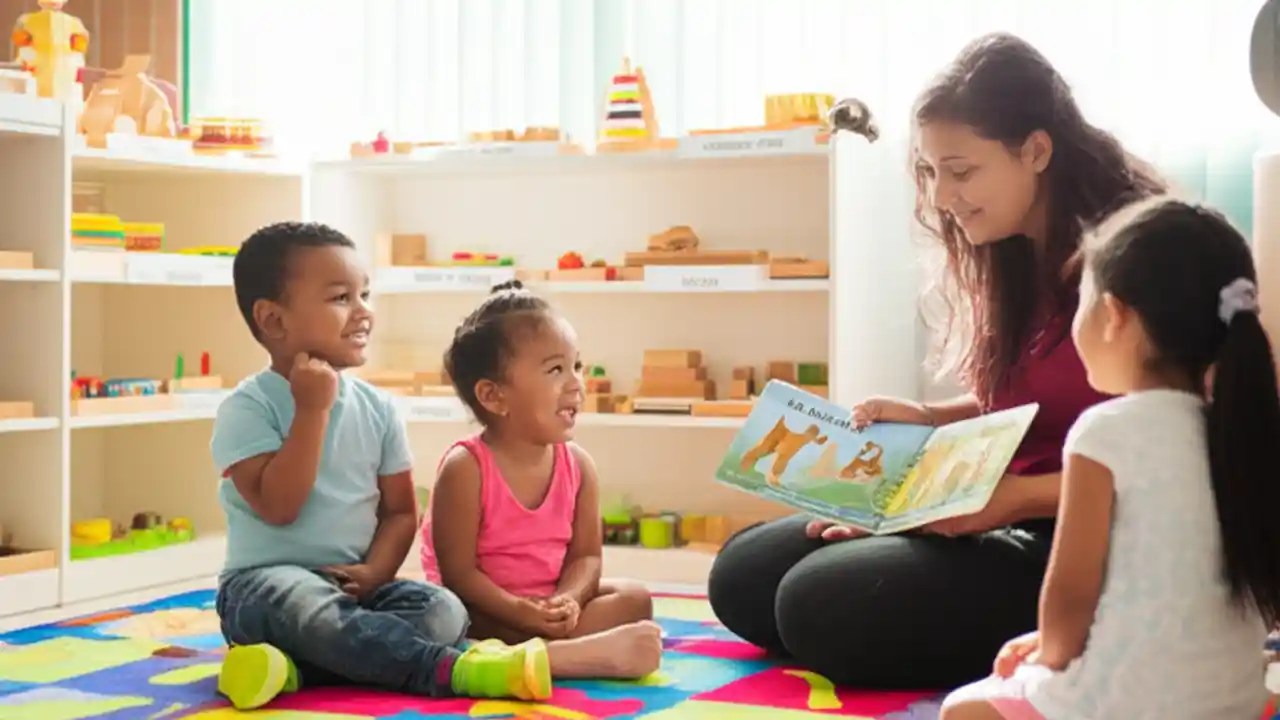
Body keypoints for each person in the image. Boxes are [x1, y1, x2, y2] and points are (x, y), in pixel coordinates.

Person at [707, 32, 1166, 689]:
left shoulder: (1137, 262)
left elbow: (1174, 458)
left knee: (814, 604)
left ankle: (1056, 641)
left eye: (961, 171)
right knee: (744, 574)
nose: (942, 195)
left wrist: (1011, 502)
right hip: (997, 506)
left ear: (1036, 151)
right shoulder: (1015, 249)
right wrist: (928, 419)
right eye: (929, 172)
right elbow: (1037, 404)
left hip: (1085, 540)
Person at [211, 223, 661, 710]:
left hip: (356, 592)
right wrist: (312, 410)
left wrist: (377, 572)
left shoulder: (379, 409)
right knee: (304, 603)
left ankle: (297, 668)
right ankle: (468, 668)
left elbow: (401, 512)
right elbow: (279, 506)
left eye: (365, 295)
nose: (364, 311)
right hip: (265, 584)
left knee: (444, 614)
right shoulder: (247, 408)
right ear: (273, 319)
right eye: (341, 297)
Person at [940, 199, 1280, 719]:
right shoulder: (1244, 433)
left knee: (962, 709)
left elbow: (1072, 596)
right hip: (1235, 702)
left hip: (1122, 706)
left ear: (1114, 316)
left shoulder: (1105, 432)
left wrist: (1049, 658)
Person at [422, 281, 655, 644]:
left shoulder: (579, 466)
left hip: (549, 601)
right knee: (443, 615)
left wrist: (568, 600)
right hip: (487, 610)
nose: (576, 384)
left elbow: (586, 558)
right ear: (493, 396)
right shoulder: (465, 468)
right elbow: (460, 576)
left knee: (635, 598)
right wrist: (519, 611)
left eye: (576, 365)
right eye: (556, 370)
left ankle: (541, 646)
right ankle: (556, 648)